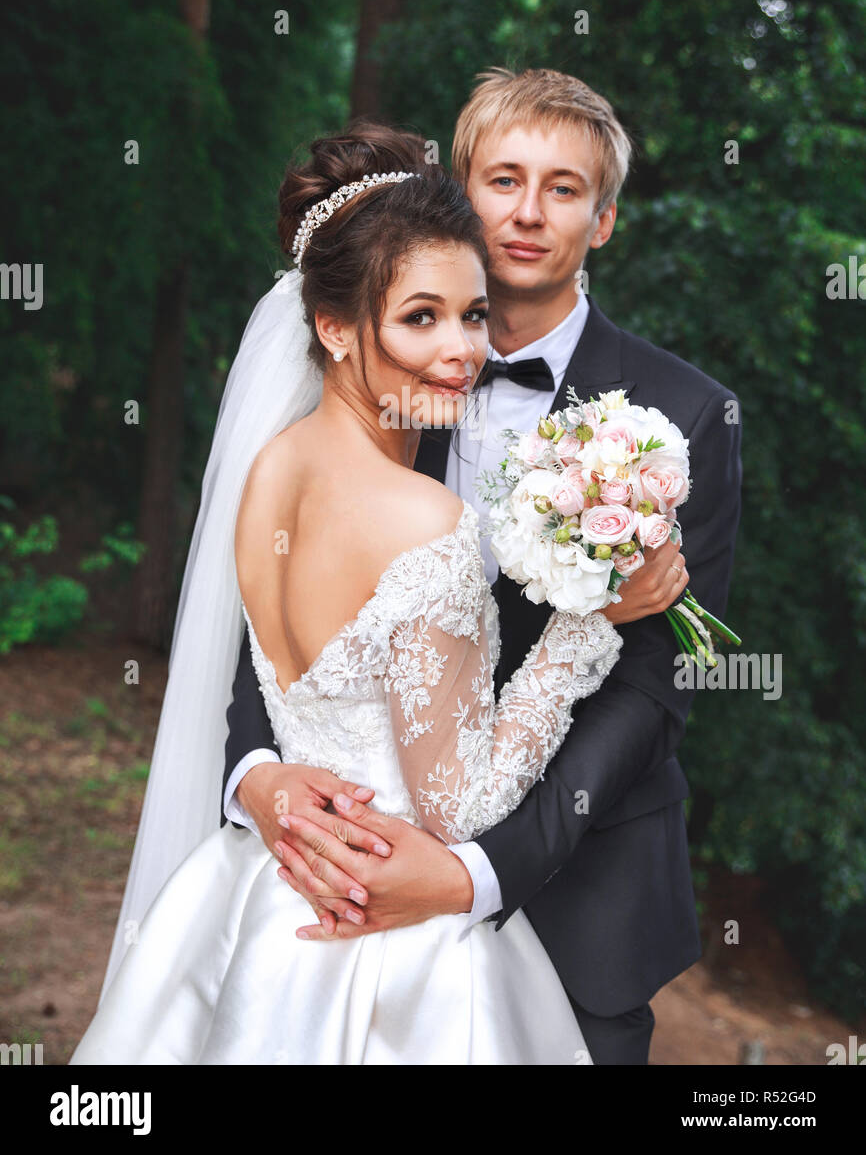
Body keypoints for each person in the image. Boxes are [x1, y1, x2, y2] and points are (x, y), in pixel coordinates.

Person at [71, 125, 686, 1065]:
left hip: (259, 899)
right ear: (335, 327)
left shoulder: (266, 469)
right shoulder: (423, 517)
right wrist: (587, 627)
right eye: (421, 318)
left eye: (474, 316)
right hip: (392, 940)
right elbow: (460, 802)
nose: (462, 352)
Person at [223, 71, 742, 1066]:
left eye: (563, 188)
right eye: (503, 179)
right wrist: (260, 778)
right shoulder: (367, 375)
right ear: (460, 193)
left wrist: (471, 874)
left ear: (604, 221)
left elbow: (650, 694)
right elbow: (274, 622)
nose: (527, 212)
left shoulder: (681, 417)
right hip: (340, 876)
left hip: (580, 892)